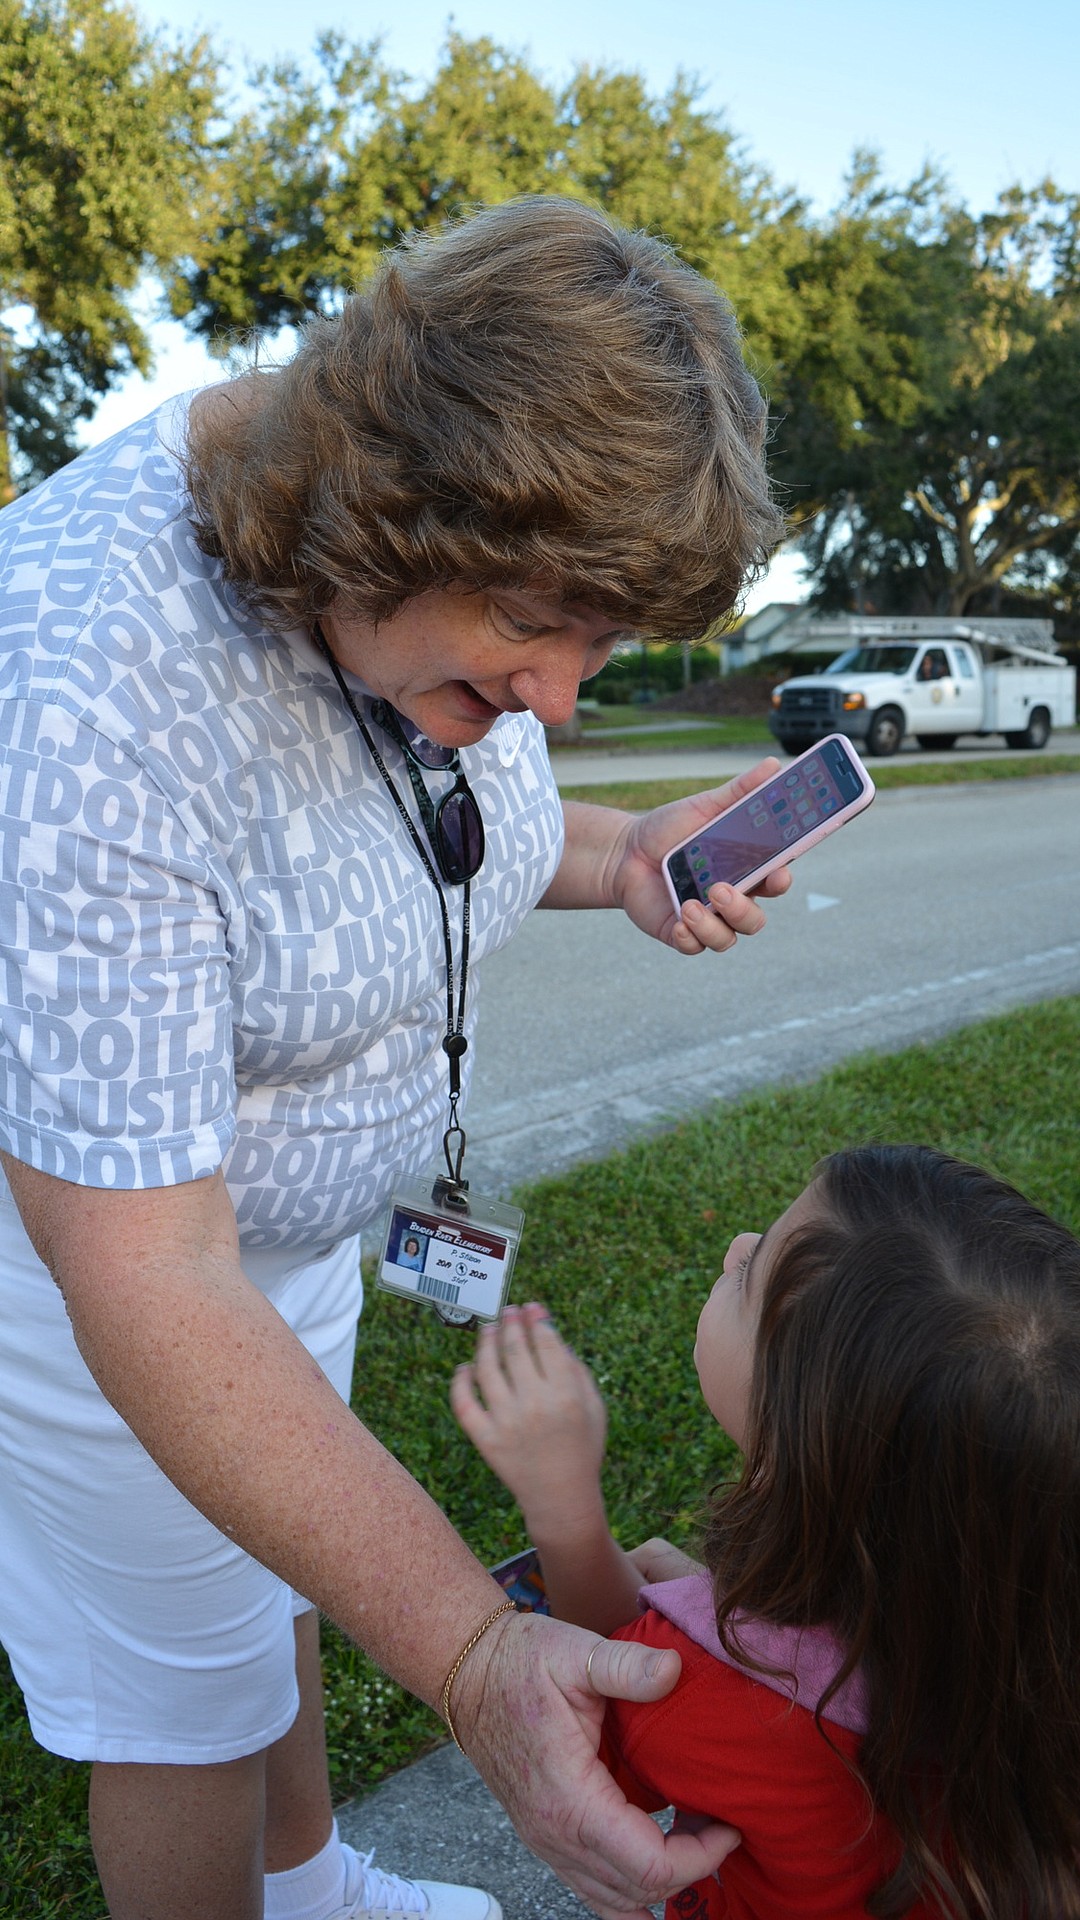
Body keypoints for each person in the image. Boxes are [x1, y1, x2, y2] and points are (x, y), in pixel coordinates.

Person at [0, 195, 791, 1920]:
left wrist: (626, 853)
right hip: (100, 1284)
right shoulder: (83, 692)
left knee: (269, 1588)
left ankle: (314, 1886)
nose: (566, 696)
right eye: (547, 632)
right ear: (386, 508)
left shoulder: (413, 625)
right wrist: (475, 1659)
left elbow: (453, 838)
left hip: (270, 1240)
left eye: (600, 648)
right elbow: (146, 1275)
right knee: (183, 1696)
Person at [452, 1144, 1080, 1919]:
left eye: (751, 1281)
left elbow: (605, 1717)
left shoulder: (723, 1703)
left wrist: (565, 1511)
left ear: (805, 1442)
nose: (735, 1248)